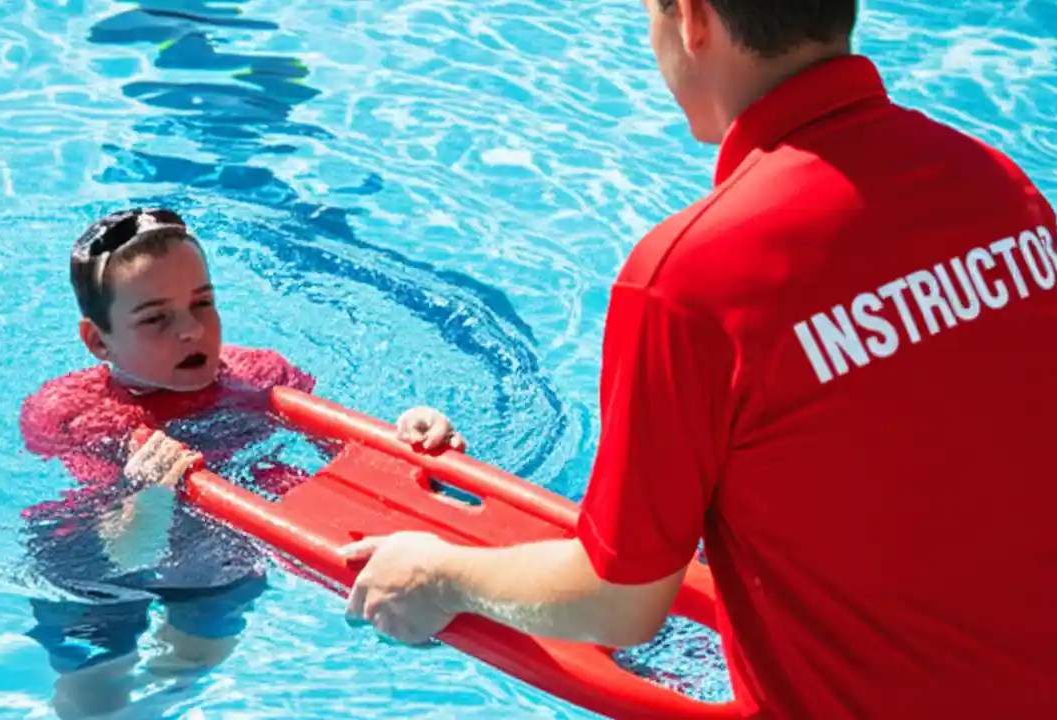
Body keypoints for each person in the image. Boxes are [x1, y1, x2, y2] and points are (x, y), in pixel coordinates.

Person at [339, 1, 1057, 717]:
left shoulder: (690, 279)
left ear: (692, 19)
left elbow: (618, 602)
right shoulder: (1000, 186)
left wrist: (439, 575)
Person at [18, 207, 464, 719]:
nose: (190, 330)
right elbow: (122, 551)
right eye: (156, 318)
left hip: (216, 560)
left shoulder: (263, 378)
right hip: (94, 569)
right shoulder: (72, 412)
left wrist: (413, 438)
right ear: (99, 341)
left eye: (202, 303)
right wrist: (150, 499)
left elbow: (355, 465)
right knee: (95, 696)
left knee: (192, 663)